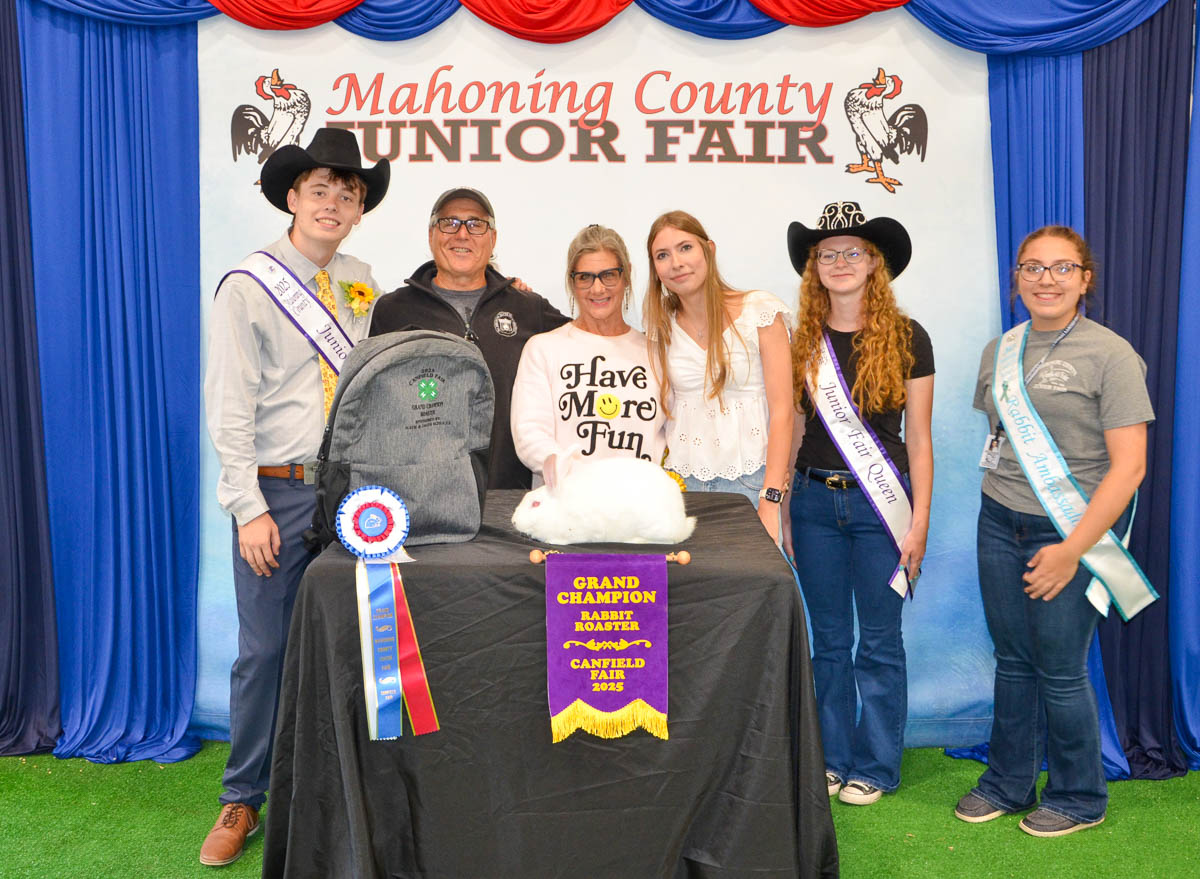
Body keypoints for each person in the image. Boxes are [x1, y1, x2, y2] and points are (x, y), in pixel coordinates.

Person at [202, 128, 389, 865]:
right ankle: (242, 796)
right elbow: (228, 404)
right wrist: (246, 505)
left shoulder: (363, 279)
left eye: (348, 194)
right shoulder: (250, 284)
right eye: (321, 190)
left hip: (350, 493)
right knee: (266, 649)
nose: (334, 203)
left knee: (353, 639)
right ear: (292, 197)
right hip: (276, 494)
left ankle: (343, 782)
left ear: (358, 209)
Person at [955, 226, 1154, 837]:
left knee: (1061, 668)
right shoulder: (1001, 349)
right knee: (1013, 660)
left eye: (1062, 268)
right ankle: (1009, 782)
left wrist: (1071, 551)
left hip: (1071, 530)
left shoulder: (1111, 354)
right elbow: (998, 439)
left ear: (1085, 279)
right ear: (1017, 280)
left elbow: (1131, 466)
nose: (1046, 279)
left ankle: (1078, 796)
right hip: (998, 518)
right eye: (1032, 267)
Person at [783, 200, 934, 806]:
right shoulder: (801, 342)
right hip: (815, 503)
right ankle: (833, 757)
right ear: (814, 267)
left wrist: (918, 523)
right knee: (828, 641)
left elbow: (919, 439)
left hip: (881, 511)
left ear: (875, 263)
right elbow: (793, 429)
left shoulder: (907, 337)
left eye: (853, 252)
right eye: (827, 253)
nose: (840, 262)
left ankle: (876, 764)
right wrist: (787, 506)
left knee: (878, 642)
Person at [370, 187, 568, 489]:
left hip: (509, 496)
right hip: (420, 495)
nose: (462, 234)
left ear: (493, 239)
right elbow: (374, 408)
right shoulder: (392, 310)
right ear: (431, 235)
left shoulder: (529, 308)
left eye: (476, 224)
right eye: (449, 222)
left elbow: (591, 342)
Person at [643, 210, 793, 539]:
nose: (677, 263)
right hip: (681, 488)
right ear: (655, 269)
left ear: (709, 250)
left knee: (754, 588)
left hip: (751, 483)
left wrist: (770, 499)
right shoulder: (660, 327)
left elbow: (783, 412)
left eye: (685, 248)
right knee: (693, 590)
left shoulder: (760, 311)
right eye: (662, 255)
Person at [511, 224, 665, 485]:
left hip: (641, 508)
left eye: (608, 275)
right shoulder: (543, 349)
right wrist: (585, 480)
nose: (597, 289)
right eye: (585, 277)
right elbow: (530, 435)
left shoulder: (657, 354)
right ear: (572, 282)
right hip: (568, 510)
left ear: (625, 276)